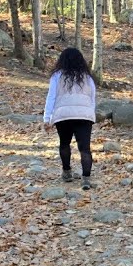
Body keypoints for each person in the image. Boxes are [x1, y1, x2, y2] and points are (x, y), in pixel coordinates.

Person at [43, 47, 98, 190]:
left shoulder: (57, 76)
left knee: (64, 144)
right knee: (85, 148)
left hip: (63, 115)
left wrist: (47, 118)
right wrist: (90, 114)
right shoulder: (88, 78)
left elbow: (51, 97)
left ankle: (67, 172)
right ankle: (86, 179)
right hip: (84, 116)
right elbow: (92, 98)